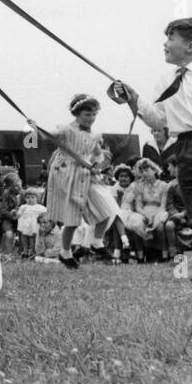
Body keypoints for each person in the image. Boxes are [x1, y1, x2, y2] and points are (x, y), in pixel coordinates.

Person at [42, 94, 128, 269]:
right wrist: (35, 128)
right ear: (76, 114)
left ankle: (96, 242)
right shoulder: (66, 129)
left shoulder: (95, 134)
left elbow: (98, 154)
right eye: (87, 115)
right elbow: (47, 136)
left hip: (88, 175)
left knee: (108, 209)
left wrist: (99, 164)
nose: (91, 119)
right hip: (67, 176)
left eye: (94, 114)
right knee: (72, 219)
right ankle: (65, 253)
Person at [121, 158, 168, 262]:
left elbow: (163, 206)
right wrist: (146, 215)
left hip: (158, 210)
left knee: (159, 224)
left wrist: (154, 215)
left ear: (154, 170)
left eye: (147, 170)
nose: (144, 173)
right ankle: (140, 256)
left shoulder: (163, 185)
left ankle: (165, 254)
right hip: (144, 211)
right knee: (137, 224)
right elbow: (138, 206)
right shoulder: (140, 187)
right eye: (141, 171)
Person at [15, 189, 46, 259]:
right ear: (25, 198)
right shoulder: (23, 206)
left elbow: (44, 213)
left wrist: (41, 216)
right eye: (28, 197)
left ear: (37, 198)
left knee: (33, 239)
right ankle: (25, 251)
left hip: (33, 226)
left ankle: (32, 251)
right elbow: (19, 213)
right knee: (24, 239)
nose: (30, 199)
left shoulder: (40, 207)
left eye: (32, 197)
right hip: (24, 225)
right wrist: (18, 213)